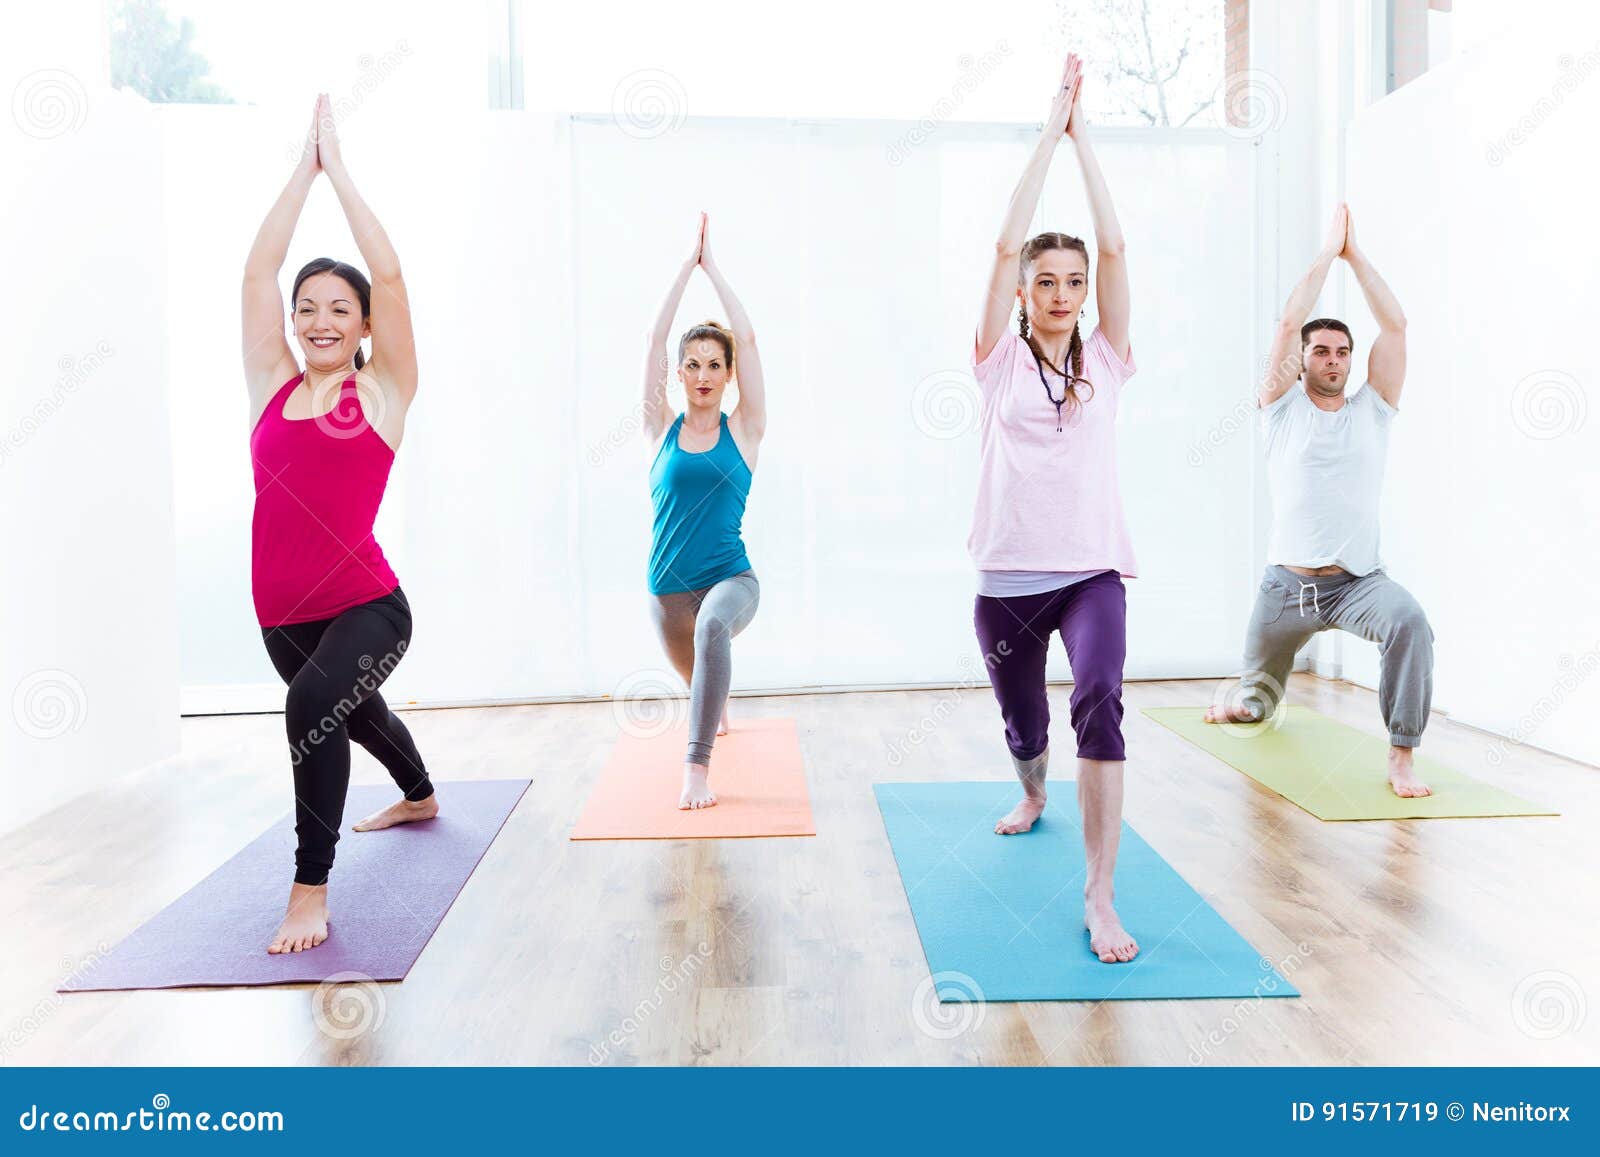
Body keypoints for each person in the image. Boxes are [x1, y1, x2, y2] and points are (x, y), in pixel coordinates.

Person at [242, 94, 436, 953]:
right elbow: (254, 274)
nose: (320, 320)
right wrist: (300, 170)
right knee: (353, 713)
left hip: (368, 602)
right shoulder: (272, 390)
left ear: (362, 327)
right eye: (307, 307)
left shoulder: (381, 394)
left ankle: (309, 887)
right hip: (281, 612)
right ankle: (421, 790)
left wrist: (341, 173)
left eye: (339, 310)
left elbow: (390, 276)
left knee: (316, 702)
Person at [970, 54, 1139, 964]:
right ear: (1027, 292)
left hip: (1090, 572)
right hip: (1006, 582)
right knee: (1028, 728)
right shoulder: (997, 358)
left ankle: (1098, 894)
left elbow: (1117, 250)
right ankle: (1032, 786)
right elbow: (1003, 247)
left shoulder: (1108, 358)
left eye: (1073, 281)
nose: (1064, 293)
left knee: (1101, 702)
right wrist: (1046, 137)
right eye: (1048, 281)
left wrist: (1087, 141)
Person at [1206, 204, 1433, 798]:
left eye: (1340, 352)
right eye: (1320, 351)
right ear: (1302, 360)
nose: (1332, 360)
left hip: (1359, 583)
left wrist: (1354, 257)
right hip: (1285, 590)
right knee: (1254, 709)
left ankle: (1402, 755)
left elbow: (1398, 327)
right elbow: (1287, 322)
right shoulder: (1280, 410)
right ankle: (1246, 700)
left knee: (1410, 621)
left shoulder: (1373, 408)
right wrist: (1326, 253)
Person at [642, 213, 767, 810]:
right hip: (666, 592)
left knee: (715, 625)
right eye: (692, 363)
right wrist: (681, 271)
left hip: (730, 577)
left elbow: (750, 340)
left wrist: (713, 270)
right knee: (699, 688)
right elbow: (652, 344)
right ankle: (713, 706)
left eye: (714, 364)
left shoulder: (743, 430)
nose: (701, 373)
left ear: (728, 373)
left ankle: (695, 769)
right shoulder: (657, 429)